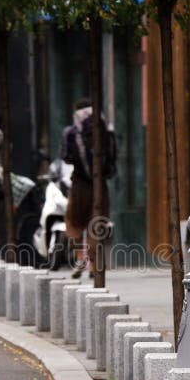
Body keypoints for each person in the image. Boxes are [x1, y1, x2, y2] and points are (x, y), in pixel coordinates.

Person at [60, 98, 115, 279]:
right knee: (97, 222)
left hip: (80, 184)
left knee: (72, 221)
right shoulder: (106, 128)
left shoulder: (71, 132)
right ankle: (93, 266)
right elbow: (113, 157)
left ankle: (80, 256)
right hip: (100, 185)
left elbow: (66, 157)